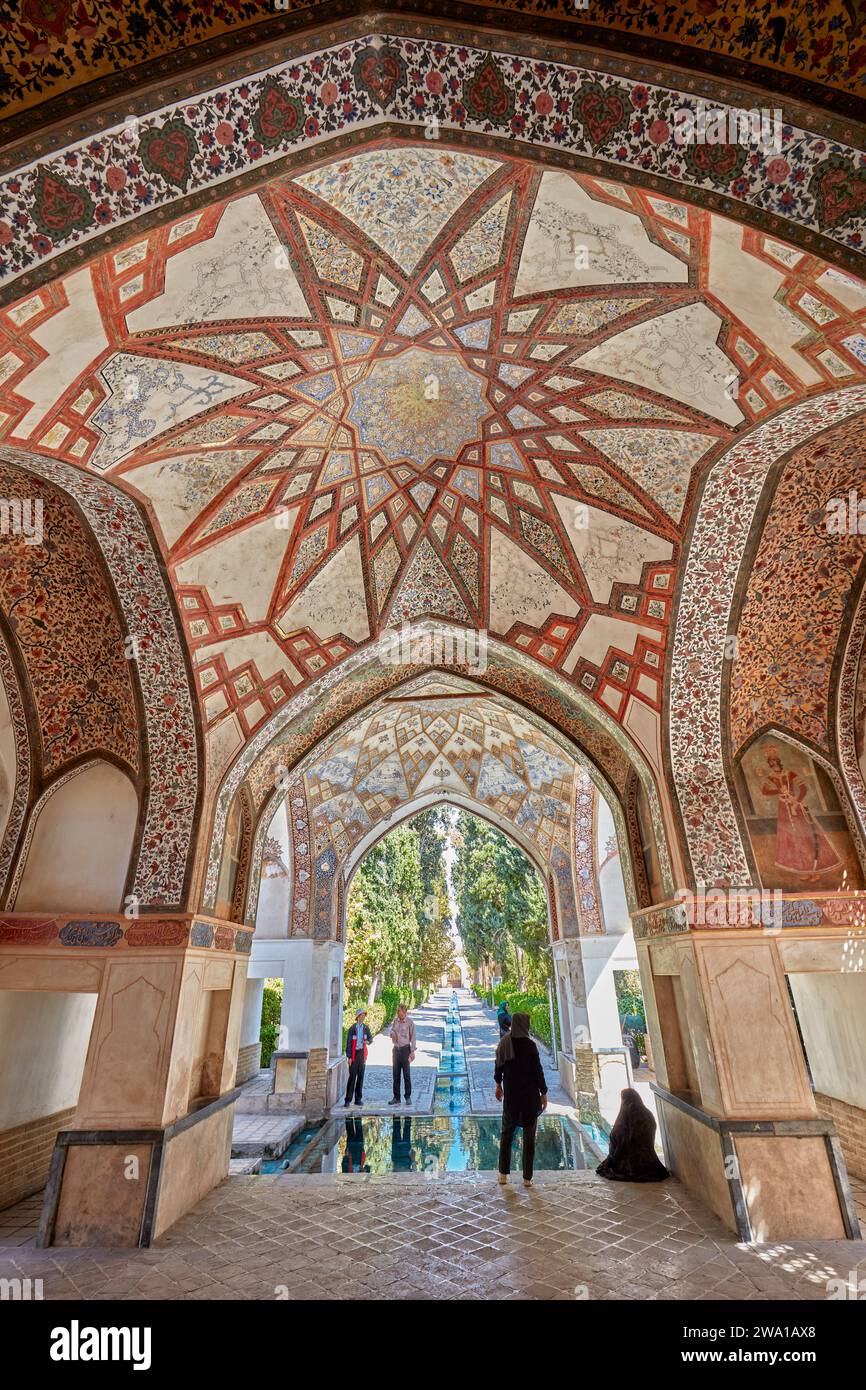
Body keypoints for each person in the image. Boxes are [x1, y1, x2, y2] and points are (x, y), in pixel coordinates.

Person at [494, 1011, 547, 1187]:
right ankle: (527, 1178)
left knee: (506, 1135)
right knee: (529, 1138)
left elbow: (498, 1067)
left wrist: (498, 1085)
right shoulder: (530, 1046)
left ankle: (503, 1174)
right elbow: (538, 1071)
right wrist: (544, 1092)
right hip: (530, 1099)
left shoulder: (504, 1043)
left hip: (512, 1098)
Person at [596, 1087, 670, 1182]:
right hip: (648, 1158)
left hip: (630, 1161)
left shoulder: (625, 1115)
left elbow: (617, 1136)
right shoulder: (647, 1113)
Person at [388, 1001, 416, 1106]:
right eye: (397, 1011)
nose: (397, 1013)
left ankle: (408, 1096)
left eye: (399, 1011)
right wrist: (392, 1034)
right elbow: (391, 1031)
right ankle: (396, 1097)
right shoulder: (395, 1021)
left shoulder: (410, 1023)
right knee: (396, 1074)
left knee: (406, 1075)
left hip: (405, 1050)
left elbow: (413, 1037)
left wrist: (412, 1051)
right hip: (396, 1050)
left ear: (404, 1012)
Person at [344, 1008, 372, 1108]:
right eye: (362, 1015)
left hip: (362, 1054)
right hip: (354, 1054)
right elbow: (348, 1044)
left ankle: (358, 1099)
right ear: (358, 1017)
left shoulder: (366, 1028)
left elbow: (370, 1039)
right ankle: (348, 1099)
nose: (363, 1017)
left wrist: (367, 1042)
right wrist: (349, 1057)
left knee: (360, 1077)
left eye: (364, 1015)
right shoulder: (352, 1029)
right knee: (352, 1077)